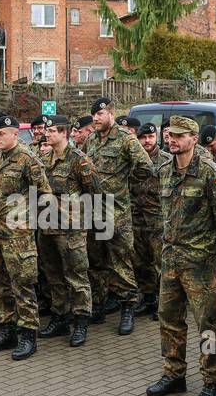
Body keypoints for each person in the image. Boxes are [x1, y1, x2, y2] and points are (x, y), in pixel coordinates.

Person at [144, 116, 216, 396]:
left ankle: (212, 380)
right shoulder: (165, 171)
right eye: (170, 135)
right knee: (168, 319)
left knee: (205, 324)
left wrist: (207, 250)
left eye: (180, 136)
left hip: (200, 263)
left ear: (194, 139)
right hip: (171, 260)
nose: (172, 140)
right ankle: (173, 373)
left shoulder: (210, 173)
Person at [0, 114, 52, 360]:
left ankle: (28, 335)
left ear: (14, 134)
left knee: (22, 285)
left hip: (18, 235)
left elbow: (45, 196)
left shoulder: (28, 160)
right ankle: (7, 330)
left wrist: (27, 220)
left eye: (1, 134)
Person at [84, 97, 154, 334]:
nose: (95, 118)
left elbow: (146, 167)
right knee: (96, 262)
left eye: (100, 114)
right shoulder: (91, 139)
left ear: (111, 114)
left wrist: (125, 183)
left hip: (117, 214)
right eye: (94, 115)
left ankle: (127, 308)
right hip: (93, 211)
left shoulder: (126, 139)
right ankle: (99, 305)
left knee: (121, 262)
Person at [36, 114, 100, 346]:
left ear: (64, 133)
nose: (47, 134)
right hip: (47, 227)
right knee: (53, 276)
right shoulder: (43, 158)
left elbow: (94, 191)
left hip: (72, 230)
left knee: (76, 276)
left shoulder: (79, 160)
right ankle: (60, 317)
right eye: (46, 130)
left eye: (52, 131)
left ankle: (81, 321)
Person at [132, 122, 171, 319]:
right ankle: (147, 299)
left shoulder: (166, 160)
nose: (147, 141)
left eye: (151, 137)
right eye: (143, 137)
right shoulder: (133, 159)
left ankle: (162, 302)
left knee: (160, 263)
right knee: (141, 262)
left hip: (158, 219)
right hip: (137, 218)